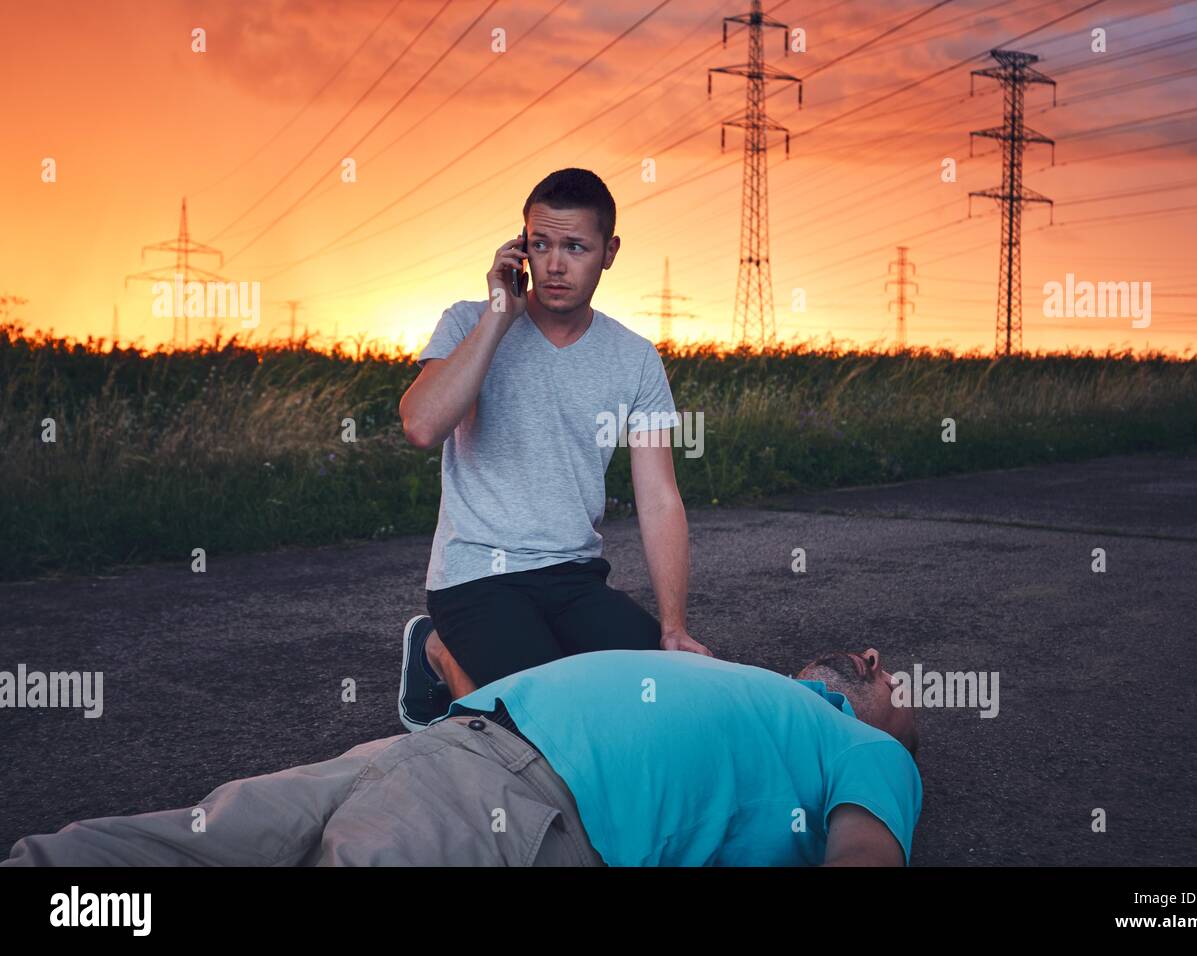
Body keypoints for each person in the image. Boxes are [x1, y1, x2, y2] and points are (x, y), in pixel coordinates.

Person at [3, 647, 921, 867]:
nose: (877, 662)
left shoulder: (866, 746)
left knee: (207, 841)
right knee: (186, 843)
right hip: (448, 746)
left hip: (505, 787)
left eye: (893, 680)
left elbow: (864, 858)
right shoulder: (749, 686)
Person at [397, 168, 711, 732]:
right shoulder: (469, 321)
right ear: (520, 247)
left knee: (661, 703)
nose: (555, 265)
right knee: (544, 726)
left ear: (609, 252)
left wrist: (672, 626)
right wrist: (499, 315)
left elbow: (660, 496)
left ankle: (465, 659)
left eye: (575, 247)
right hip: (476, 575)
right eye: (540, 245)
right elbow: (421, 426)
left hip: (573, 577)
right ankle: (437, 651)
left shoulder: (634, 357)